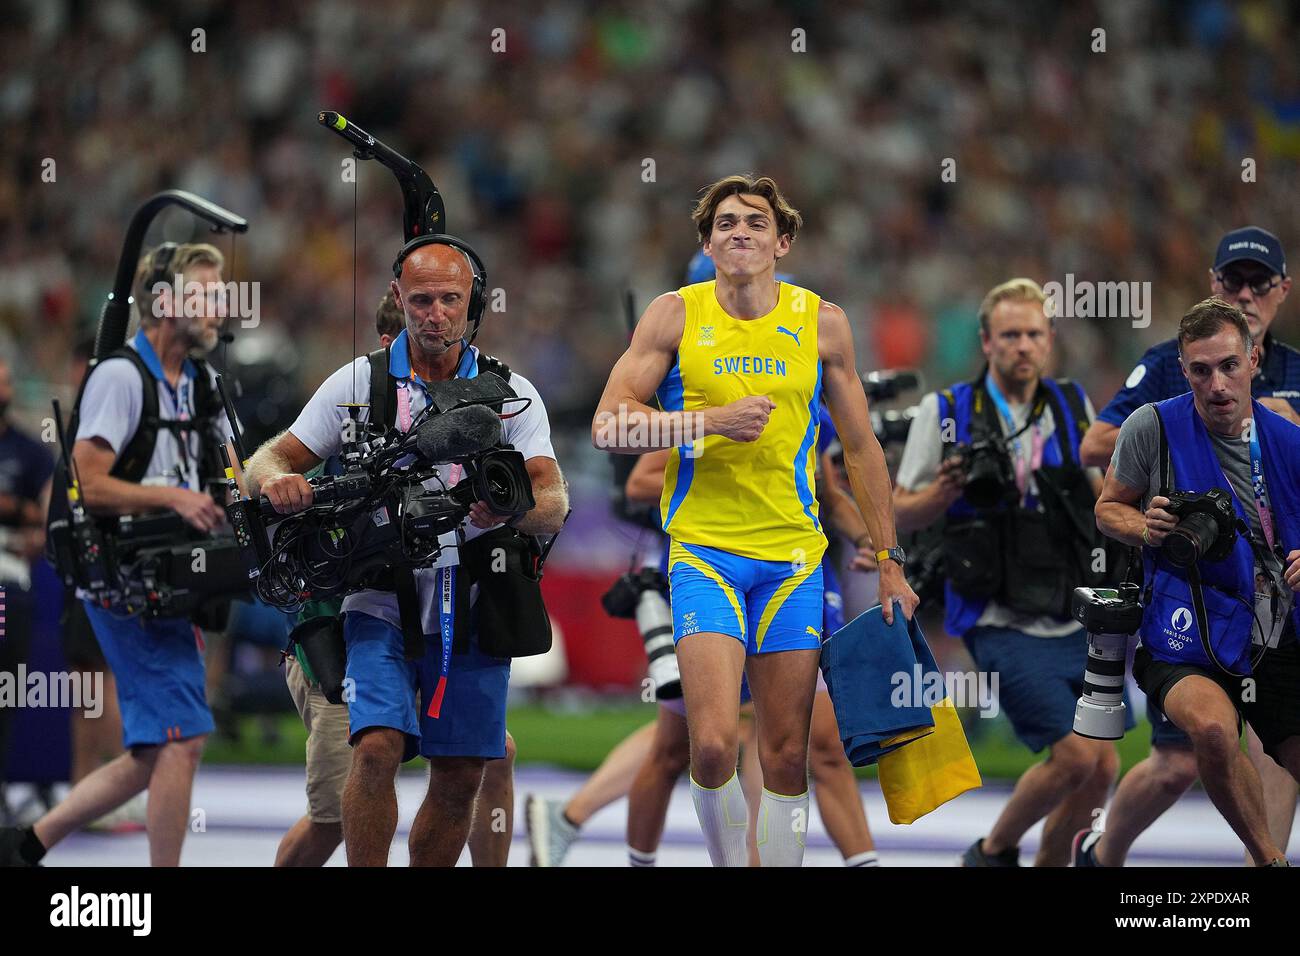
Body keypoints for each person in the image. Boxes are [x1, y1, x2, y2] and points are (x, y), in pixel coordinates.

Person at [592, 174, 916, 867]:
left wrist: (890, 561)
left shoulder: (821, 322)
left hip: (793, 560)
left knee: (788, 757)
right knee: (711, 746)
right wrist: (709, 422)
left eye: (756, 222)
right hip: (704, 552)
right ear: (708, 244)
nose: (740, 231)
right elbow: (609, 426)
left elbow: (861, 448)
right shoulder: (674, 315)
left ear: (783, 242)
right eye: (726, 223)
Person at [245, 237, 567, 867]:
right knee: (374, 748)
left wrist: (508, 509)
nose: (435, 314)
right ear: (397, 297)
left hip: (474, 598)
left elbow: (553, 502)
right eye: (421, 301)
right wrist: (276, 480)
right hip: (378, 596)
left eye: (450, 299)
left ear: (473, 299)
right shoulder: (358, 382)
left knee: (462, 772)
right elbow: (271, 457)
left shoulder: (512, 392)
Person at [1, 242, 236, 867]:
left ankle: (27, 844)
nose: (219, 307)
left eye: (220, 295)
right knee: (184, 739)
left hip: (174, 577)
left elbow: (230, 474)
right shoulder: (120, 376)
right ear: (163, 301)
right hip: (125, 580)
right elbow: (84, 482)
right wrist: (175, 498)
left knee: (152, 752)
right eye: (204, 295)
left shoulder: (200, 383)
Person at [1077, 227, 1300, 867]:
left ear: (1253, 361)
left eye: (1229, 366)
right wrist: (1143, 526)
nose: (1217, 384)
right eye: (1201, 371)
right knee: (1203, 740)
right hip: (1187, 621)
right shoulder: (1152, 420)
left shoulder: (1289, 431)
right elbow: (1107, 500)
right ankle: (1263, 861)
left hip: (1276, 626)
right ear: (1184, 371)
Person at [894, 278, 1127, 867]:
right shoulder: (946, 412)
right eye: (1009, 335)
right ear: (986, 342)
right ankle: (991, 852)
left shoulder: (1072, 404)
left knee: (1103, 766)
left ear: (1050, 339)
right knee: (1075, 756)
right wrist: (944, 492)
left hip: (1072, 608)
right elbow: (900, 508)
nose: (1023, 346)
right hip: (995, 612)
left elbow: (1101, 493)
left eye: (1033, 334)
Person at [0, 357, 55, 825]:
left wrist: (20, 515)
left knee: (8, 687)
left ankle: (9, 787)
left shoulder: (29, 452)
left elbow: (46, 519)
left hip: (9, 582)